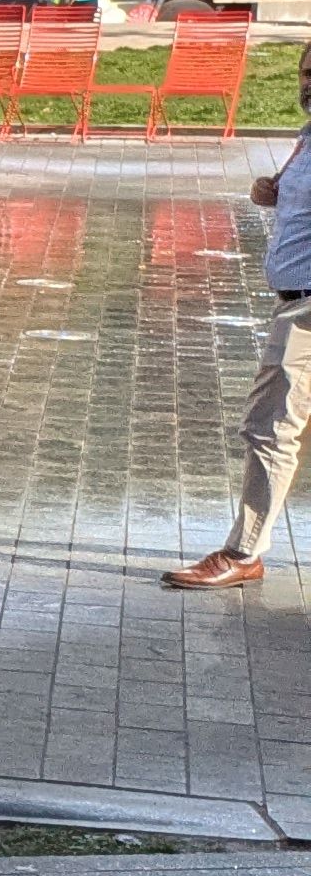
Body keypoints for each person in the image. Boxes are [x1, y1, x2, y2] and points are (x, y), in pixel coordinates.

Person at [168, 107, 311, 590]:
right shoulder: (307, 136)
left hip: (308, 310)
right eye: (306, 74)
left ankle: (244, 552)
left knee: (269, 426)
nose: (309, 85)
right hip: (294, 300)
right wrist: (272, 192)